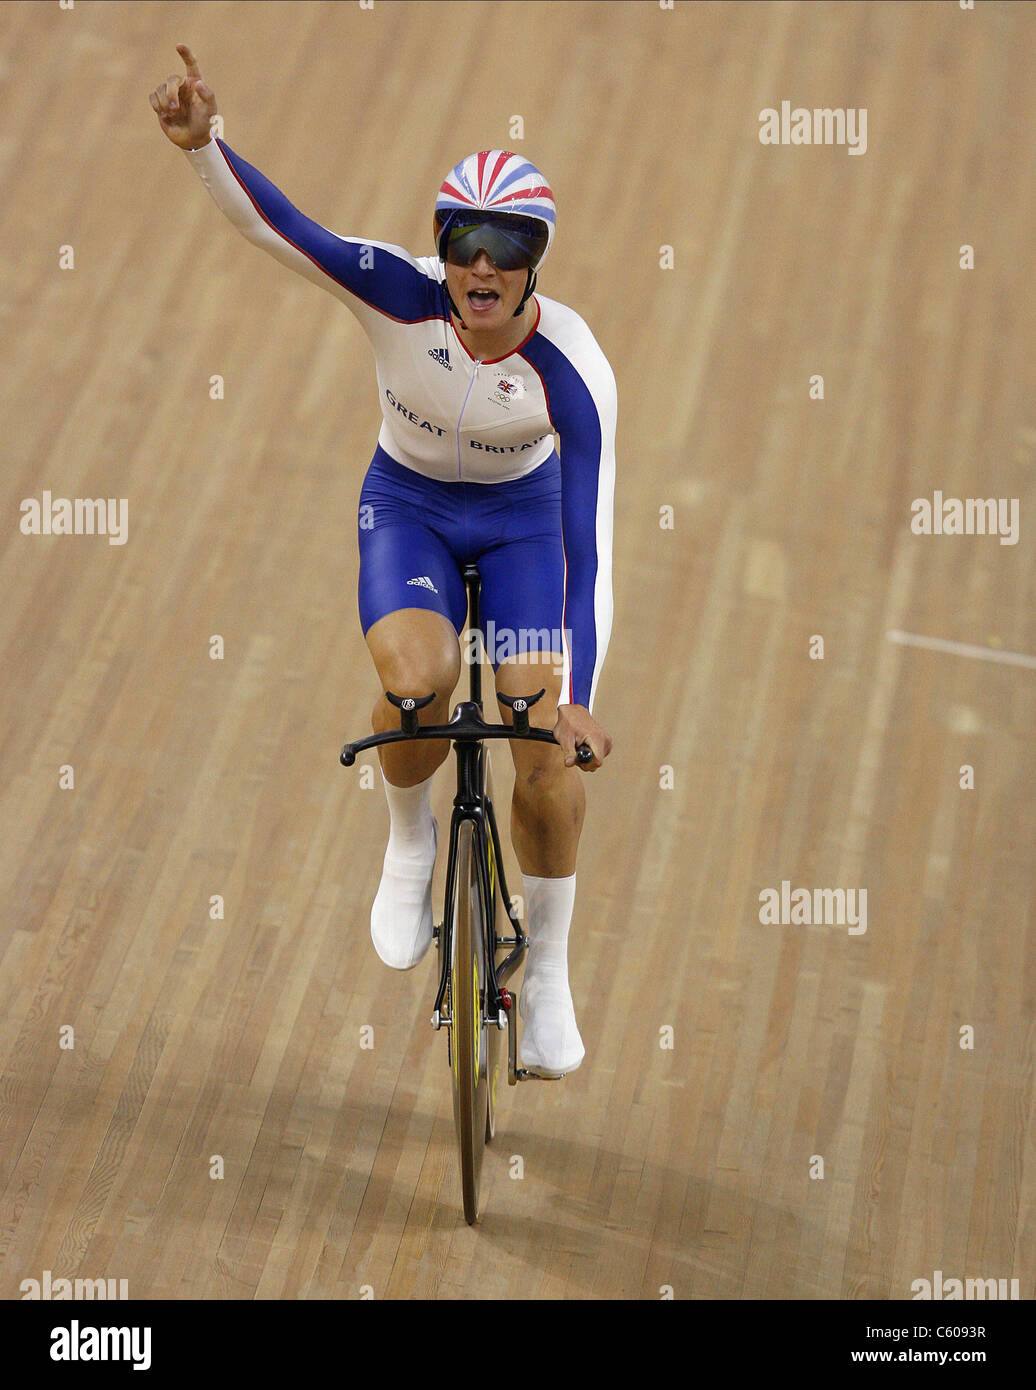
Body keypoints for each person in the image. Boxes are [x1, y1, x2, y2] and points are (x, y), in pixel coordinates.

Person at [149, 46, 616, 1076]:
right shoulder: (395, 292)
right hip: (407, 506)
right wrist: (204, 148)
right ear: (440, 247)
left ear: (539, 257)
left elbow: (590, 540)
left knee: (539, 746)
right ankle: (410, 841)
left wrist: (577, 692)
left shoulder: (571, 369)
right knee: (417, 687)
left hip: (526, 529)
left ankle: (547, 975)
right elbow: (284, 229)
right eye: (463, 241)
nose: (481, 265)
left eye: (508, 244)